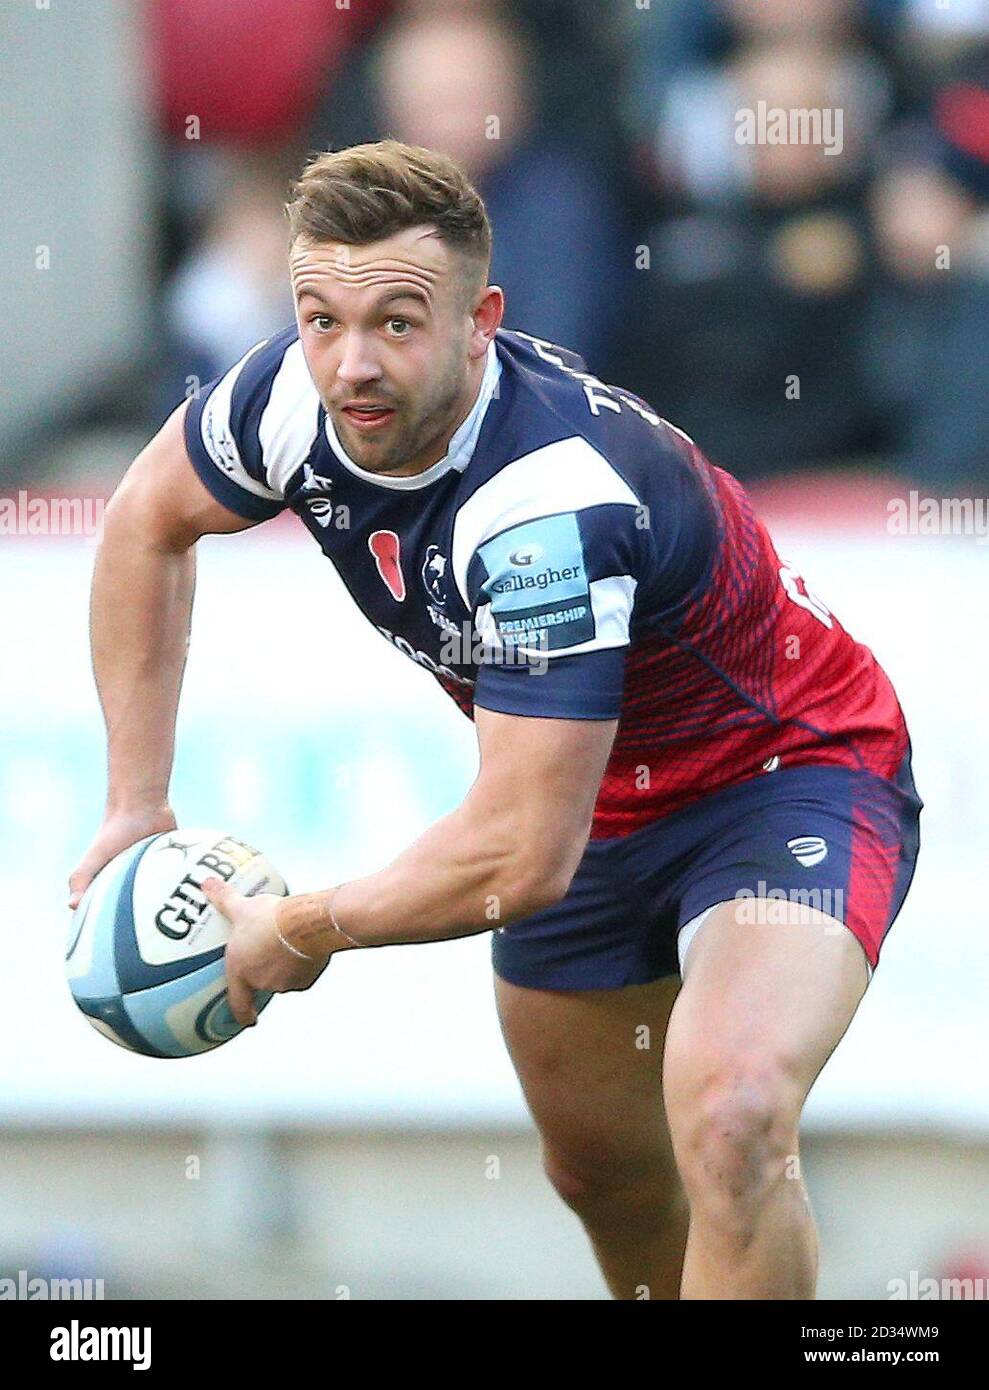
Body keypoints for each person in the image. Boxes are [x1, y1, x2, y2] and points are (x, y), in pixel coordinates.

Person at [69, 140, 921, 1301]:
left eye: (398, 325)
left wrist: (304, 926)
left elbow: (520, 856)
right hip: (590, 807)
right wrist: (135, 801)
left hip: (778, 777)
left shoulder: (544, 506)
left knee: (730, 1119)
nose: (351, 365)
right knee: (601, 1176)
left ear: (481, 320)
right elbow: (141, 524)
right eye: (320, 319)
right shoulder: (285, 394)